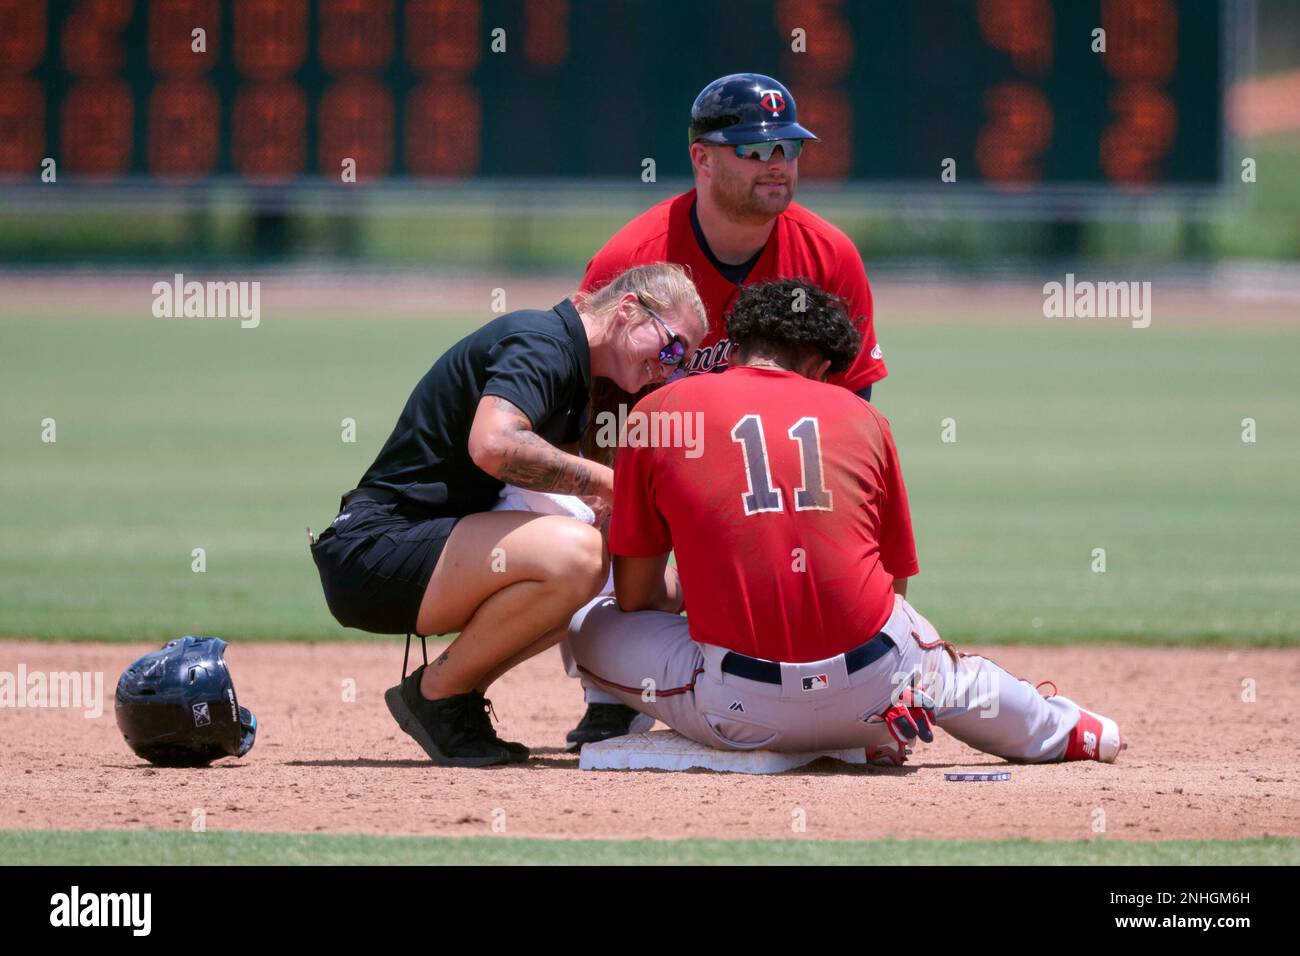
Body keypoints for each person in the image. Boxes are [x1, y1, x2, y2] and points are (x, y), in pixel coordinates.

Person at [566, 280, 1124, 766]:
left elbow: (637, 596)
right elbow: (894, 590)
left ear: (735, 346)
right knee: (948, 673)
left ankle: (620, 716)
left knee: (588, 624)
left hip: (737, 713)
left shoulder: (659, 412)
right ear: (821, 368)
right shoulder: (866, 417)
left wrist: (717, 585)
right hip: (875, 697)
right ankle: (1075, 731)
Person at [564, 72, 891, 748]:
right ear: (701, 158)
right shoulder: (633, 258)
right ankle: (611, 695)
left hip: (784, 466)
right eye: (752, 150)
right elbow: (592, 400)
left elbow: (854, 412)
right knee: (592, 517)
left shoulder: (828, 256)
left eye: (786, 149)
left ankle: (853, 681)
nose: (775, 164)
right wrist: (621, 497)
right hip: (654, 457)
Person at [310, 263, 707, 767]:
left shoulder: (575, 376)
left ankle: (455, 699)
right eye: (671, 348)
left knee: (594, 566)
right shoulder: (543, 342)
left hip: (419, 550)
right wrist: (614, 483)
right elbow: (494, 445)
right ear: (629, 311)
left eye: (682, 363)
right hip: (373, 550)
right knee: (579, 558)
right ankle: (438, 693)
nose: (669, 368)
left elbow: (610, 545)